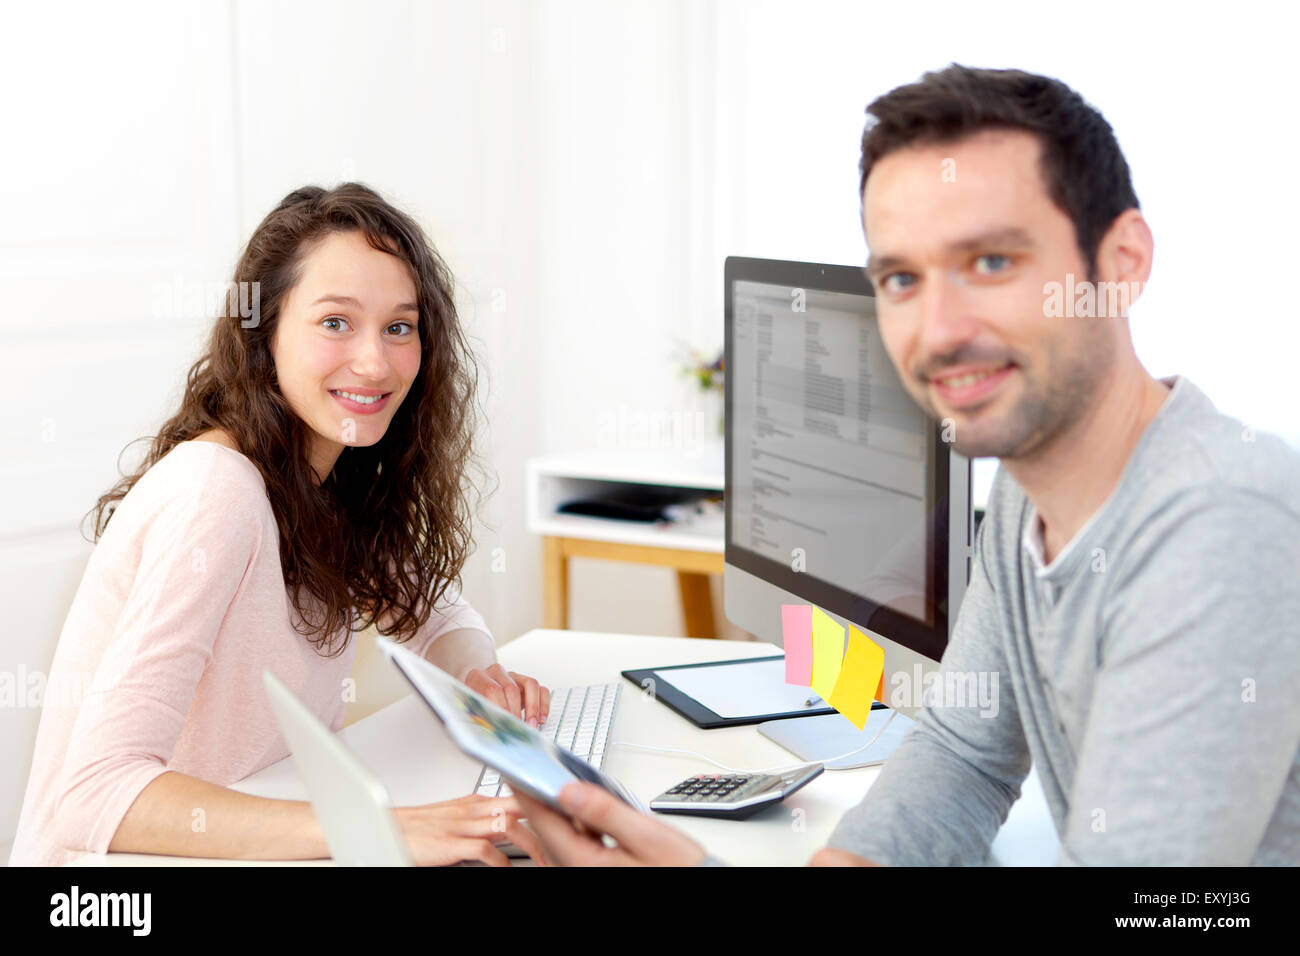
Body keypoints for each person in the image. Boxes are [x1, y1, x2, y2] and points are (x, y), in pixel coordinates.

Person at [515, 64, 1300, 866]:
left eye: (992, 262)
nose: (940, 330)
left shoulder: (1221, 527)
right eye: (900, 278)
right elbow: (961, 757)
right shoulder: (1032, 497)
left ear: (1123, 261)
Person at [12, 183, 549, 867]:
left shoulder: (329, 475)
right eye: (335, 322)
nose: (375, 362)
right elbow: (92, 793)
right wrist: (379, 828)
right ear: (264, 334)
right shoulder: (217, 493)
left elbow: (437, 616)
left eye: (399, 327)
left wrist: (483, 677)